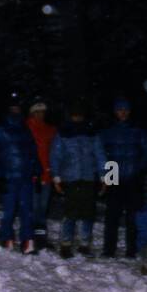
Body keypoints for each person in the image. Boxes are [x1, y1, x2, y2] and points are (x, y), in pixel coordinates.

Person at [100, 97, 147, 258]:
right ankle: (108, 250)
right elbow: (100, 152)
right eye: (120, 110)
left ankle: (132, 249)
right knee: (112, 215)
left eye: (125, 110)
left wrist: (139, 167)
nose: (123, 113)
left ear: (129, 112)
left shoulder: (138, 131)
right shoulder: (108, 131)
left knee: (133, 216)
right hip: (113, 173)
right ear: (115, 112)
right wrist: (106, 172)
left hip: (133, 176)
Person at [50, 103, 106, 258]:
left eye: (80, 114)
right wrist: (56, 177)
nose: (77, 117)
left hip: (89, 177)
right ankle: (66, 244)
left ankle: (84, 244)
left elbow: (100, 155)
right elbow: (56, 156)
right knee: (71, 213)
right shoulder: (63, 133)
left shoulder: (91, 132)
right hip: (70, 178)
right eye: (75, 114)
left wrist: (106, 177)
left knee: (88, 213)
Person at [0, 94, 40, 252]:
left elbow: (32, 152)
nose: (15, 110)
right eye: (12, 108)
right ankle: (6, 238)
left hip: (25, 177)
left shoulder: (25, 130)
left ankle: (27, 240)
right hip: (9, 177)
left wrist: (36, 171)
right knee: (9, 210)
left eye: (18, 108)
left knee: (26, 210)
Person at [25, 100, 57, 249]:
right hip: (32, 175)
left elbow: (55, 152)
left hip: (47, 174)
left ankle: (40, 238)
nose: (40, 115)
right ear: (32, 113)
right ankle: (29, 237)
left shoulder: (50, 130)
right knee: (33, 206)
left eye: (42, 112)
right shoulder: (26, 128)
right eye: (37, 112)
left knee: (42, 209)